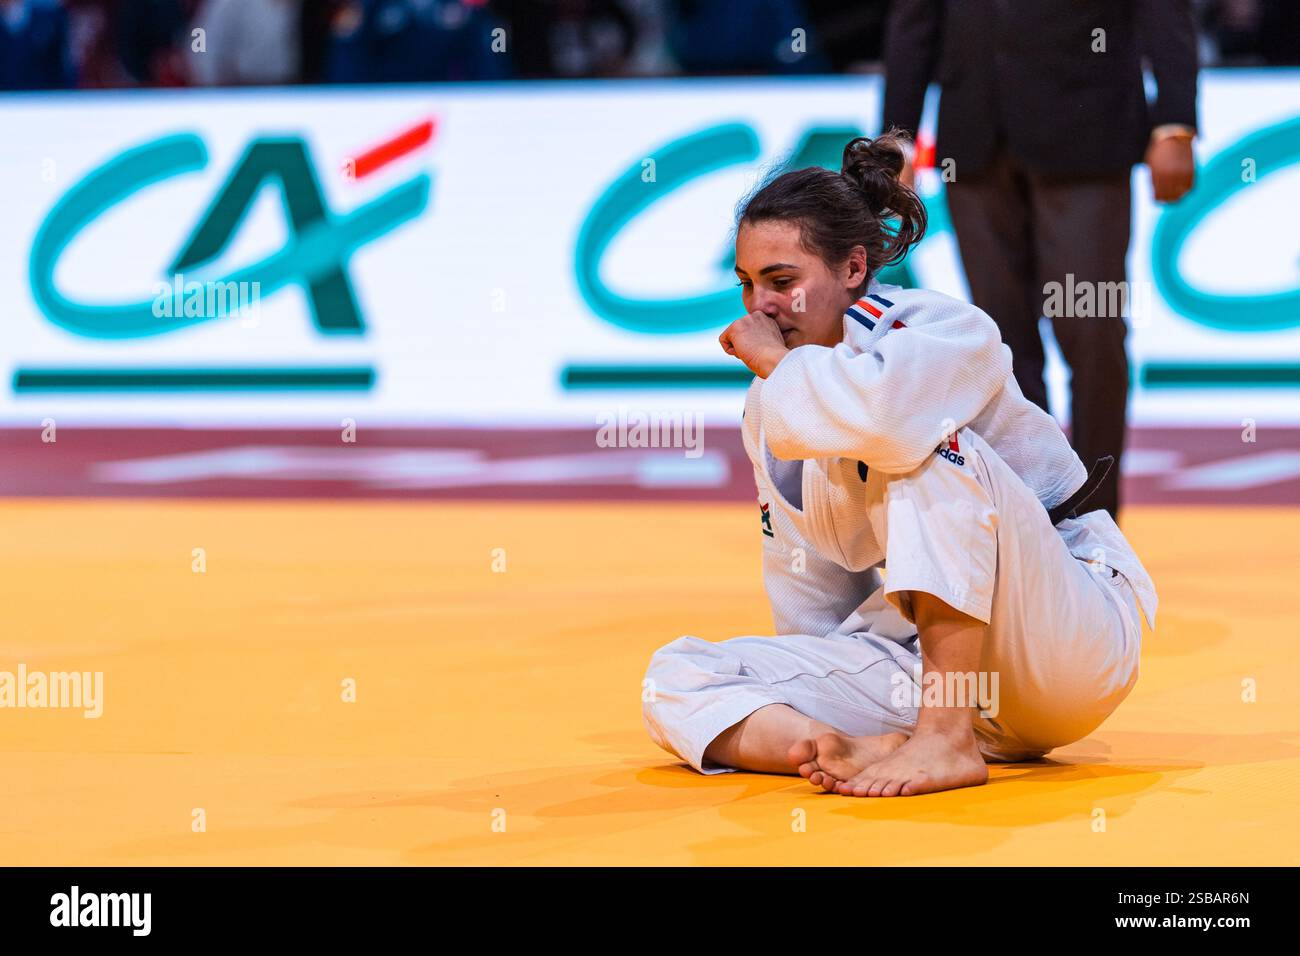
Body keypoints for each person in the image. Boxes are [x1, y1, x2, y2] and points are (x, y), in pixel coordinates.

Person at [640, 133, 1158, 797]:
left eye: (782, 282)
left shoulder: (940, 330)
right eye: (747, 285)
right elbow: (812, 593)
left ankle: (944, 741)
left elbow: (885, 423)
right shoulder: (771, 410)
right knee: (676, 675)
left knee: (923, 448)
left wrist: (777, 365)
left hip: (1067, 640)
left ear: (854, 268)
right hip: (933, 670)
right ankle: (836, 746)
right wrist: (821, 697)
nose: (761, 307)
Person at [882, 0, 1200, 521]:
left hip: (1088, 134)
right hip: (975, 139)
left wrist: (1176, 123)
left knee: (1091, 330)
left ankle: (1096, 523)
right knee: (1000, 345)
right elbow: (913, 18)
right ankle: (1032, 518)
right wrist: (897, 135)